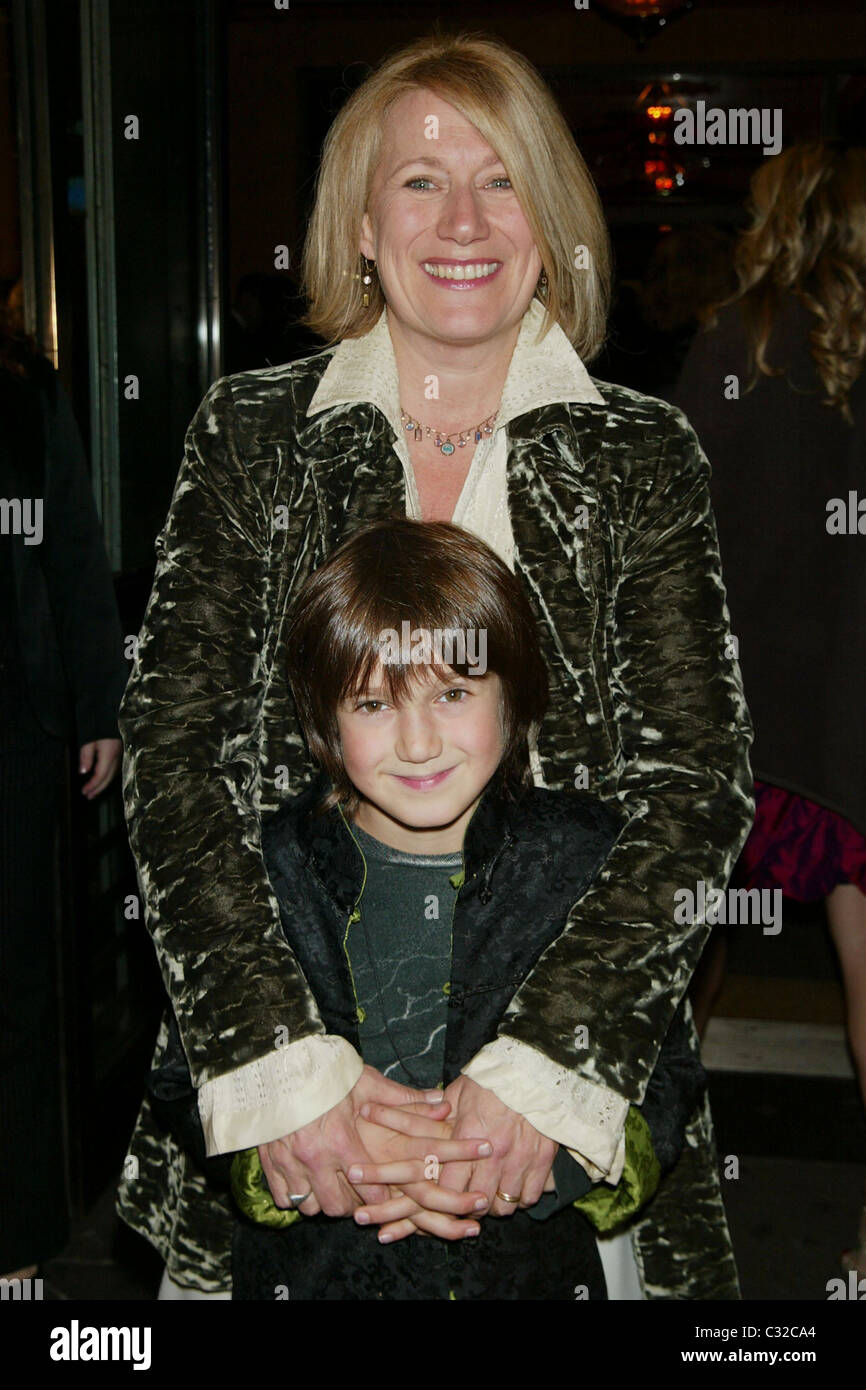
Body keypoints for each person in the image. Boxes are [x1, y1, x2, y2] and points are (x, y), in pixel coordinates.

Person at [116, 31, 754, 1300]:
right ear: (357, 223)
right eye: (417, 180)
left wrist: (538, 1075)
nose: (461, 217)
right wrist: (286, 1073)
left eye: (500, 178)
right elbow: (179, 761)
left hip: (552, 1102)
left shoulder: (640, 455)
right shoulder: (252, 435)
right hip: (295, 1082)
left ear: (552, 219)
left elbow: (695, 780)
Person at [141, 517, 708, 1299]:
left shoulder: (591, 859)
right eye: (372, 704)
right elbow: (184, 1076)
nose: (417, 743)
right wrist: (286, 1162)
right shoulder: (258, 870)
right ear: (322, 720)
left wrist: (553, 1162)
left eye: (452, 692)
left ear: (515, 697)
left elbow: (664, 1073)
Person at [673, 141, 866, 1273]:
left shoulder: (732, 343)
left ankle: (643, 1212)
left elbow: (678, 535)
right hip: (848, 724)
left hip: (744, 714)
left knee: (664, 969)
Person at [0, 303, 127, 1282]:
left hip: (16, 731)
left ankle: (20, 1235)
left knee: (18, 999)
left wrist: (98, 705)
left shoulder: (19, 385)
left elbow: (73, 548)